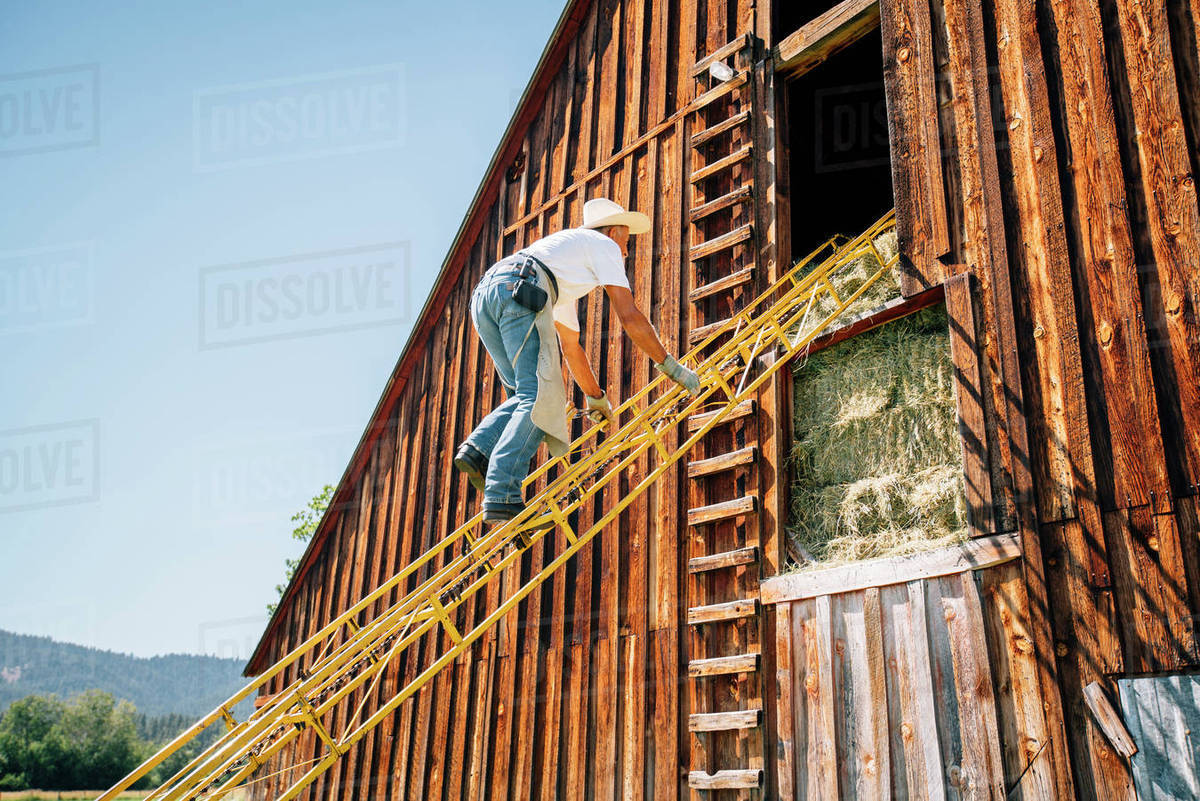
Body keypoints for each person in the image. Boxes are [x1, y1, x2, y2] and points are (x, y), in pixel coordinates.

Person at [454, 197, 701, 524]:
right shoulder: (603, 245)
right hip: (521, 287)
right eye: (626, 243)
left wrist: (595, 397)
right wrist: (670, 367)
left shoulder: (562, 262)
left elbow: (571, 346)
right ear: (613, 233)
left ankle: (478, 450)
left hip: (489, 296)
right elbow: (629, 316)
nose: (625, 252)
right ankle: (502, 492)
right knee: (540, 397)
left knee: (524, 396)